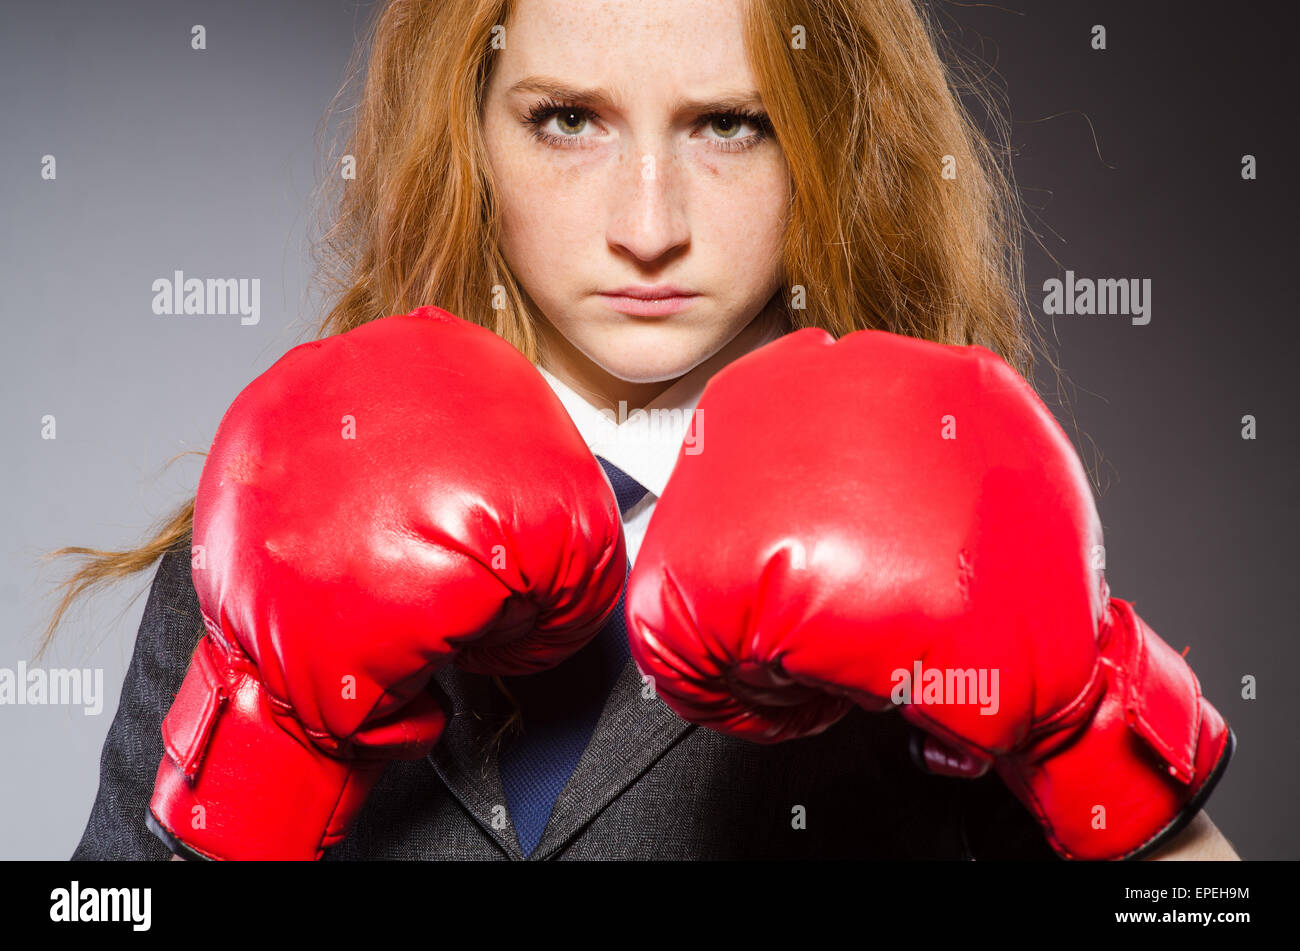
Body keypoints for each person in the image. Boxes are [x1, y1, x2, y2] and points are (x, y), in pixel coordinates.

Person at [50, 0, 1237, 860]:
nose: (647, 222)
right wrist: (256, 772)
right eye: (569, 119)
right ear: (472, 137)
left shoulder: (961, 536)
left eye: (729, 124)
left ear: (825, 143)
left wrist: (1089, 727)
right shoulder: (267, 541)